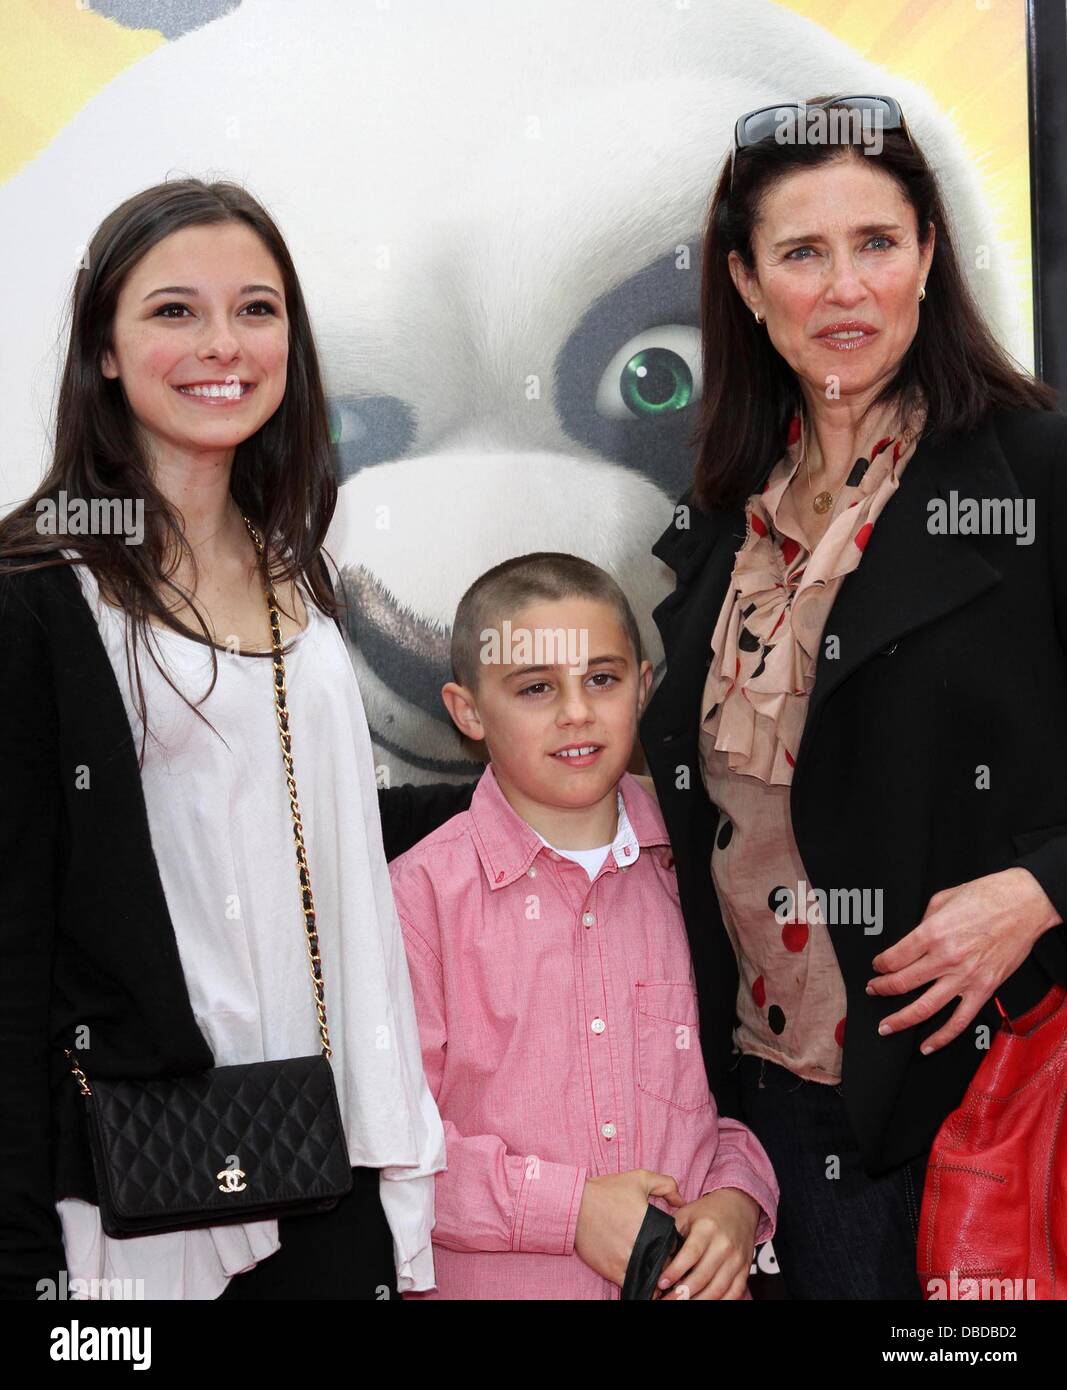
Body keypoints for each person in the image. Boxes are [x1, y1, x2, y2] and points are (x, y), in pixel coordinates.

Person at [0, 178, 473, 1301]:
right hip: (133, 1187)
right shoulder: (37, 597)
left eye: (256, 310)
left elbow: (321, 833)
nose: (223, 343)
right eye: (173, 311)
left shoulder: (295, 575)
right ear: (103, 351)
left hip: (323, 1156)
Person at [639, 94, 1067, 1299]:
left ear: (927, 255)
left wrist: (1038, 889)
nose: (841, 290)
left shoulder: (1033, 474)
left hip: (986, 1094)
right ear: (742, 280)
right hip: (775, 1109)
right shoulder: (721, 521)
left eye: (874, 243)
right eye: (799, 252)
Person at [389, 552, 778, 1300]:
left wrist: (738, 1200)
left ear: (642, 685)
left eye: (600, 679)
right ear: (466, 710)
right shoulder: (418, 900)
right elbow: (392, 1149)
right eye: (536, 688)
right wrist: (568, 1212)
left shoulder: (701, 870)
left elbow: (742, 1089)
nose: (575, 711)